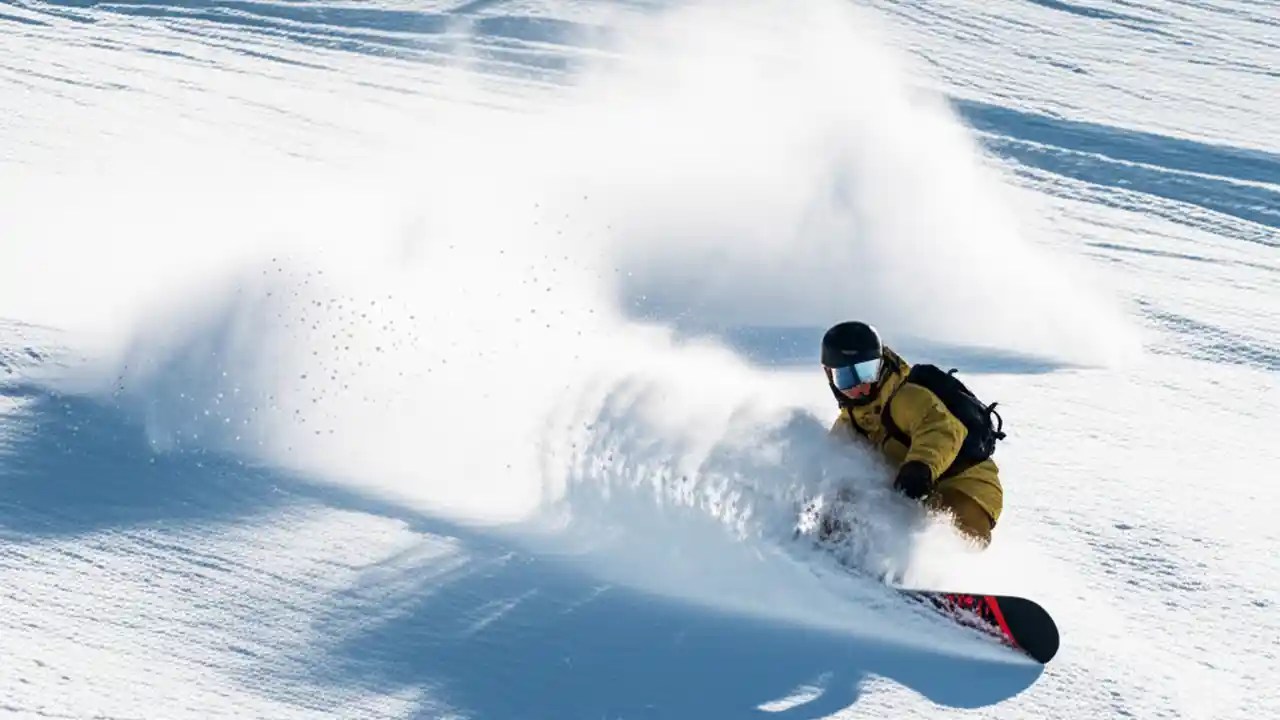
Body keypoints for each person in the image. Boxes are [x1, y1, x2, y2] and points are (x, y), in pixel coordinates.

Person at [820, 321, 1003, 547]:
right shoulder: (851, 423)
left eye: (866, 372)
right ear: (829, 376)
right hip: (915, 492)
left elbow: (942, 429)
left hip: (966, 482)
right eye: (846, 378)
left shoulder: (906, 397)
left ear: (880, 365)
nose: (861, 387)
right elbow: (833, 466)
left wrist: (920, 466)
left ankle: (941, 571)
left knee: (956, 532)